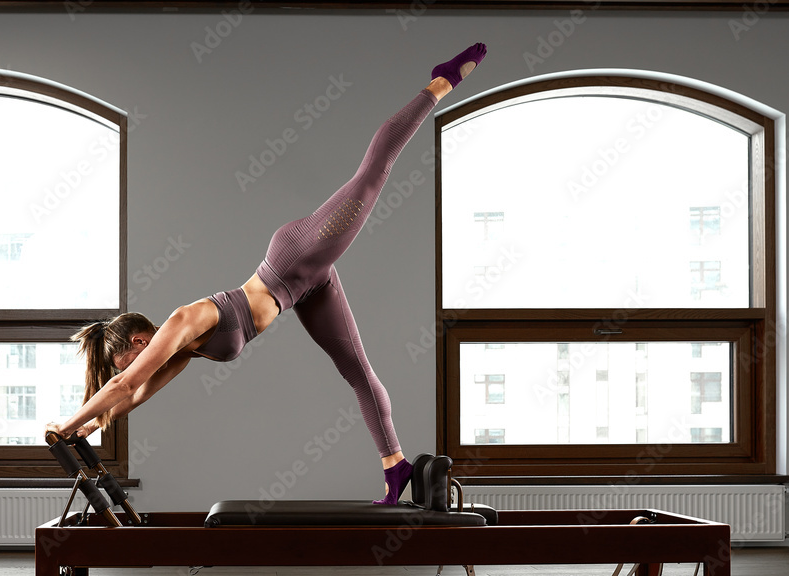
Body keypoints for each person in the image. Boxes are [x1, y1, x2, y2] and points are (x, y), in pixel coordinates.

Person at [45, 43, 488, 505]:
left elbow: (124, 384)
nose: (133, 368)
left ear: (139, 342)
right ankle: (396, 468)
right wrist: (92, 425)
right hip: (306, 288)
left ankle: (441, 83)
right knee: (357, 371)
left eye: (128, 360)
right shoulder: (181, 351)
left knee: (372, 175)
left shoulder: (183, 321)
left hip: (294, 257)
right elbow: (134, 396)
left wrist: (67, 423)